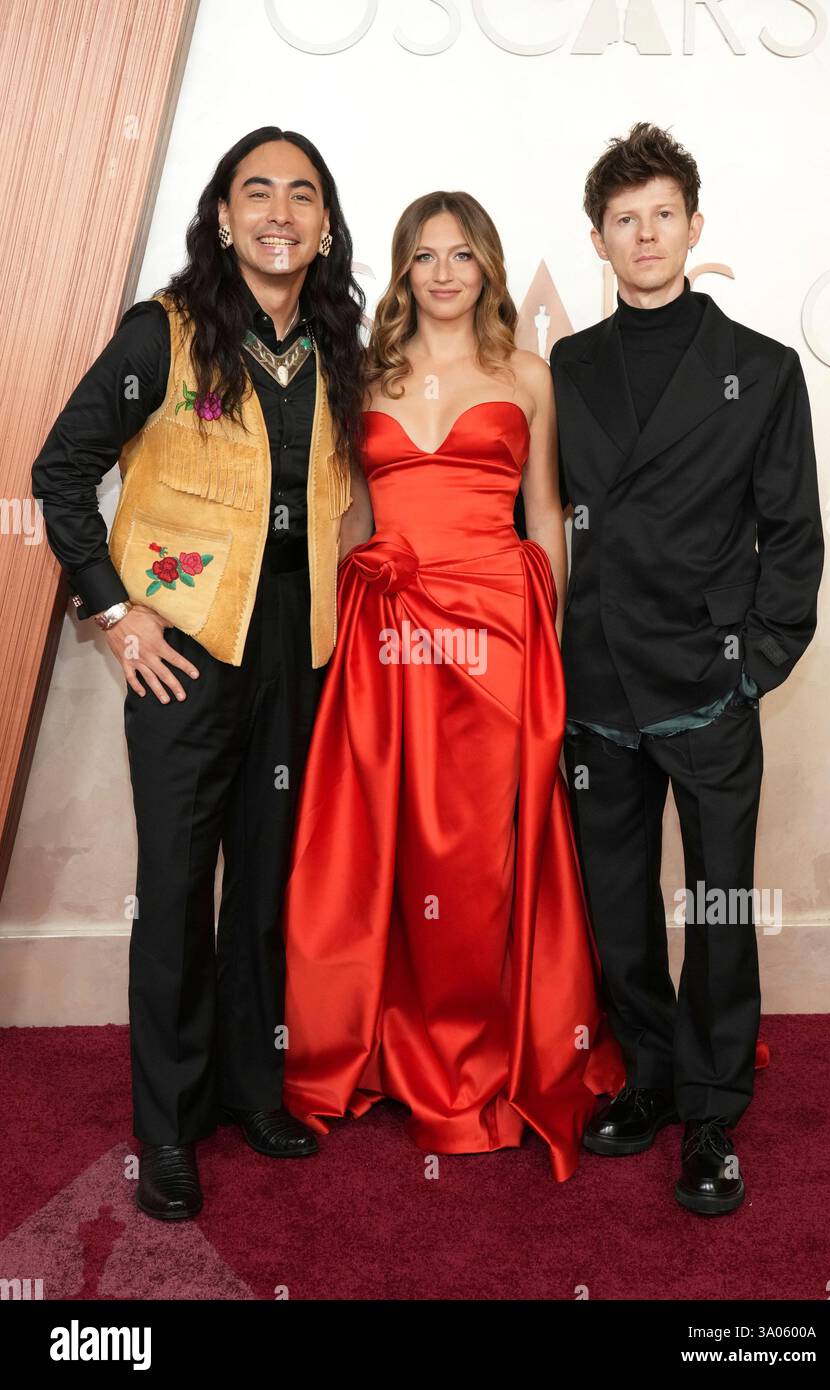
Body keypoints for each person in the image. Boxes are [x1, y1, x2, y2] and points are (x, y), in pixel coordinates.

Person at [31, 127, 366, 1220]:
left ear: (323, 224)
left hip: (292, 643)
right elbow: (61, 468)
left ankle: (250, 1090)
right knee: (177, 891)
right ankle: (169, 1126)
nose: (279, 211)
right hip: (183, 650)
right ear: (222, 216)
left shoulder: (331, 341)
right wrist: (116, 611)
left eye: (300, 195)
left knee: (266, 882)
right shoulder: (161, 332)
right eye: (255, 191)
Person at [279, 192, 625, 1182]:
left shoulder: (527, 374)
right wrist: (331, 642)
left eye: (460, 254)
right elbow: (348, 519)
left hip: (494, 637)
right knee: (387, 843)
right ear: (401, 270)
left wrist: (546, 642)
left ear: (486, 266)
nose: (441, 271)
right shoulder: (363, 376)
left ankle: (480, 1054)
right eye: (423, 255)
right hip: (384, 637)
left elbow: (547, 512)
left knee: (479, 856)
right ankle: (387, 1042)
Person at [551, 123, 824, 1214]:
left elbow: (792, 535)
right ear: (599, 240)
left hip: (706, 688)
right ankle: (650, 1077)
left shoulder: (757, 370)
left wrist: (750, 668)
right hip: (598, 692)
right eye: (624, 219)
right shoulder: (567, 366)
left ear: (692, 225)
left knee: (716, 906)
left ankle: (710, 1116)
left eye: (662, 213)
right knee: (617, 908)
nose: (645, 232)